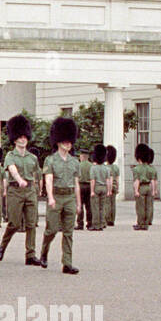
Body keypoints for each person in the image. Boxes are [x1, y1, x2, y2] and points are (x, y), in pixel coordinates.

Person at [0, 115, 43, 266]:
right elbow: (12, 169)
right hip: (15, 191)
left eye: (24, 137)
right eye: (20, 137)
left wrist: (37, 189)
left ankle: (31, 254)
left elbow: (36, 174)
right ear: (14, 139)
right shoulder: (10, 155)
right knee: (14, 223)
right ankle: (2, 248)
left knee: (31, 223)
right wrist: (19, 180)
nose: (23, 140)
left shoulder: (33, 158)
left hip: (30, 191)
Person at [40, 116, 81, 274]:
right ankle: (44, 251)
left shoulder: (74, 162)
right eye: (64, 141)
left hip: (70, 196)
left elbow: (76, 183)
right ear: (58, 142)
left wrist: (78, 203)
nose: (68, 144)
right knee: (52, 229)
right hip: (56, 196)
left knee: (68, 232)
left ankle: (67, 263)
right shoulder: (50, 161)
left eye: (69, 141)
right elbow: (48, 180)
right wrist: (50, 197)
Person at [132, 143, 157, 230]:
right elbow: (153, 181)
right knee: (149, 206)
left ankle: (141, 223)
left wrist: (136, 191)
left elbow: (137, 181)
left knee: (140, 207)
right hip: (149, 187)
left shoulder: (136, 168)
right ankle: (147, 223)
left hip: (141, 187)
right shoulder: (151, 168)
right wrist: (154, 190)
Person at [88, 145, 107, 232]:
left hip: (96, 187)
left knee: (95, 207)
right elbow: (108, 180)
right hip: (104, 187)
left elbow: (92, 180)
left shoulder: (93, 168)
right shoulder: (106, 168)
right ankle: (102, 223)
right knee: (102, 207)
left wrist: (92, 191)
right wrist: (108, 190)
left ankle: (96, 224)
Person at [76, 148, 93, 230]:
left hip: (80, 186)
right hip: (89, 186)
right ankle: (90, 223)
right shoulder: (91, 165)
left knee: (80, 205)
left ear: (82, 156)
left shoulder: (78, 165)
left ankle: (80, 223)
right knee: (89, 206)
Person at [105, 144, 120, 227]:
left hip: (107, 186)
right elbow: (117, 179)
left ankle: (107, 219)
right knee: (113, 204)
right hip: (114, 186)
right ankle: (112, 219)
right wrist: (118, 188)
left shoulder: (105, 167)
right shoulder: (116, 167)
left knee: (107, 204)